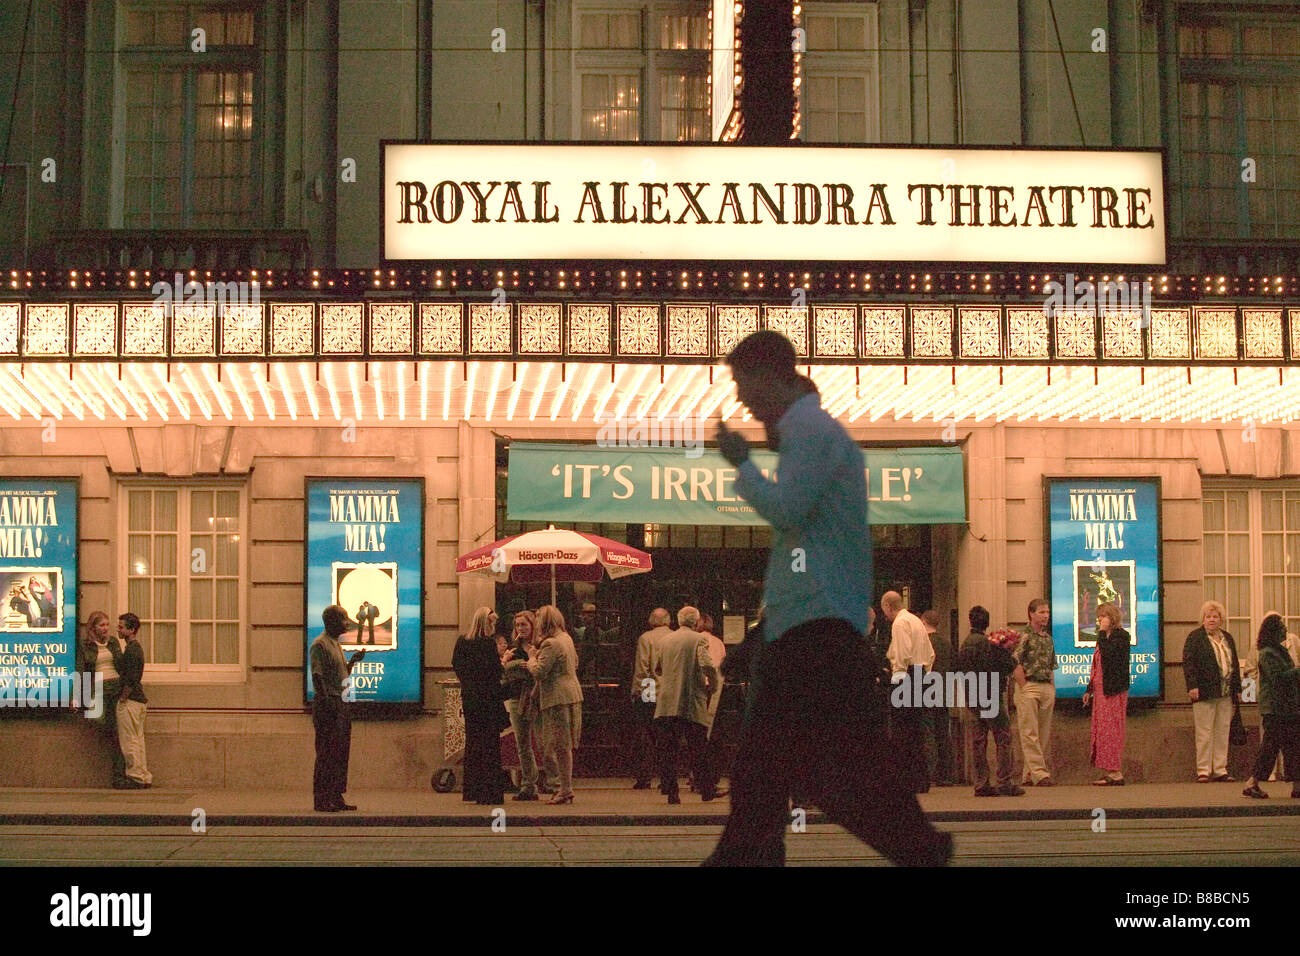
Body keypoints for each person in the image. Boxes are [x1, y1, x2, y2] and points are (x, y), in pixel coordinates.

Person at [704, 329, 950, 867]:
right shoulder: (813, 429)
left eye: (745, 384)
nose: (742, 399)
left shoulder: (808, 428)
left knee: (794, 773)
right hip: (812, 627)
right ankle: (919, 847)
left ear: (772, 379)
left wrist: (741, 462)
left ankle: (921, 849)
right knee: (792, 773)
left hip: (812, 631)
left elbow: (788, 508)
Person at [652, 606, 723, 804]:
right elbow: (707, 665)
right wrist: (713, 685)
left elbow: (657, 667)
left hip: (667, 702)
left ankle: (671, 791)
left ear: (678, 619)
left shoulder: (665, 640)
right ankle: (706, 789)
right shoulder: (698, 639)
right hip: (691, 700)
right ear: (696, 621)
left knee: (669, 749)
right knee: (698, 747)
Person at [956, 606, 1022, 797]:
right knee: (1003, 737)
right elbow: (1006, 666)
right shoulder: (990, 645)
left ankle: (981, 783)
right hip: (990, 695)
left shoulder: (965, 644)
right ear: (987, 622)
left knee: (978, 741)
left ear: (970, 621)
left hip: (972, 697)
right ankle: (1004, 781)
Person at [526, 605, 583, 805]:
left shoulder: (551, 644)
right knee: (565, 745)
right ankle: (566, 788)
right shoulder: (566, 638)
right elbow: (575, 663)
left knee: (560, 746)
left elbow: (540, 671)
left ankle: (565, 789)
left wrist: (532, 658)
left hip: (557, 696)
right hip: (571, 693)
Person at [311, 605, 365, 811]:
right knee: (326, 754)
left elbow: (339, 673)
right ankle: (322, 799)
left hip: (340, 704)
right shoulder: (320, 645)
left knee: (340, 754)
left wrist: (352, 662)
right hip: (329, 705)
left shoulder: (335, 643)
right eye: (344, 618)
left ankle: (336, 796)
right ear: (332, 622)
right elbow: (318, 677)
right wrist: (327, 705)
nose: (348, 622)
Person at [501, 610, 559, 801]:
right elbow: (506, 674)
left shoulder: (542, 645)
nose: (520, 628)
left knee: (545, 741)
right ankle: (528, 784)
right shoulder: (513, 649)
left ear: (533, 625)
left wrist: (527, 666)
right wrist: (511, 663)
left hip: (538, 697)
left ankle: (554, 782)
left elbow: (544, 670)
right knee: (522, 743)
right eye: (517, 625)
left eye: (524, 625)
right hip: (518, 698)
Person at [452, 607, 508, 805]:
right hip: (488, 700)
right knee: (490, 746)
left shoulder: (462, 641)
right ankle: (489, 792)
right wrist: (504, 662)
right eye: (492, 623)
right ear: (487, 623)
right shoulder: (487, 644)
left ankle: (472, 790)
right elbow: (495, 673)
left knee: (473, 743)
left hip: (470, 699)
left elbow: (456, 665)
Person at [1183, 600, 1242, 783]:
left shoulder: (1227, 638)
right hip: (1204, 693)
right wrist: (1192, 686)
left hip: (1225, 692)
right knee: (1204, 732)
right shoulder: (1195, 637)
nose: (1212, 620)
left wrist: (1238, 689)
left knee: (1222, 730)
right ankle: (1203, 770)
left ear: (1221, 619)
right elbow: (1188, 663)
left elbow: (1235, 664)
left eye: (1215, 617)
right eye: (1208, 617)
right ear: (1203, 619)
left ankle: (1220, 769)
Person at [1242, 614, 1300, 799]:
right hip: (1275, 709)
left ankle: (1297, 785)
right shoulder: (1267, 653)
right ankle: (1252, 782)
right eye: (1282, 627)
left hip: (1286, 707)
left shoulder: (1278, 650)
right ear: (1273, 631)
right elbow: (1279, 678)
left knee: (1293, 746)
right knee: (1271, 747)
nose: (1285, 630)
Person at [883, 591, 935, 794]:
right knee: (916, 730)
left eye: (884, 610)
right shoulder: (916, 621)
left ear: (888, 606)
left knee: (901, 731)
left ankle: (905, 780)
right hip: (920, 674)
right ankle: (920, 779)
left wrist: (897, 676)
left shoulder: (899, 623)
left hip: (905, 676)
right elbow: (931, 654)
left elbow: (902, 654)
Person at [76, 612, 127, 788]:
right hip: (98, 686)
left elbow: (121, 663)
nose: (105, 629)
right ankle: (109, 735)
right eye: (101, 625)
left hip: (115, 685)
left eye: (107, 625)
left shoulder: (113, 642)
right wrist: (76, 696)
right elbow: (81, 669)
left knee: (117, 732)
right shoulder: (86, 644)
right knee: (98, 719)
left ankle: (119, 775)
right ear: (93, 627)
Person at [1084, 602, 1131, 785]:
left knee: (1112, 730)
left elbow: (1110, 655)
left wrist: (1102, 633)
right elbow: (1097, 664)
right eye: (1099, 616)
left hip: (1113, 690)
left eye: (1104, 616)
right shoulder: (1103, 637)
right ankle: (1109, 770)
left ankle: (1116, 771)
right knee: (1102, 730)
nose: (1100, 619)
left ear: (1112, 617)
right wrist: (1089, 689)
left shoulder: (1121, 636)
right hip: (1100, 690)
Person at [1013, 598, 1058, 787]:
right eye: (1042, 612)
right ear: (1031, 613)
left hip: (1046, 685)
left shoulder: (1048, 638)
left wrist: (1052, 687)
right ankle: (1040, 773)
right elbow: (1015, 662)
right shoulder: (1024, 636)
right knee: (1029, 732)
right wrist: (1023, 685)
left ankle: (1029, 773)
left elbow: (1052, 664)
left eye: (1047, 612)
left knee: (1043, 733)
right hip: (1029, 685)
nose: (1046, 616)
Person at [630, 608, 673, 790]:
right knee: (666, 736)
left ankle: (645, 777)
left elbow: (643, 667)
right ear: (669, 621)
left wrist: (640, 692)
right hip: (670, 692)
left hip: (651, 690)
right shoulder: (675, 637)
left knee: (647, 735)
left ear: (650, 620)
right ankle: (666, 778)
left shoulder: (645, 638)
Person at [108, 613, 151, 790]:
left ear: (131, 629)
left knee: (129, 740)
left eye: (121, 627)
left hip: (131, 701)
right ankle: (143, 775)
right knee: (138, 739)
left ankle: (135, 776)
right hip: (139, 701)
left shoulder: (132, 650)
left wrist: (123, 698)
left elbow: (132, 678)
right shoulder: (135, 648)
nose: (118, 630)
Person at [920, 609, 958, 787]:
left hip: (927, 693)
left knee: (928, 733)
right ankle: (946, 774)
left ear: (923, 622)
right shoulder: (946, 644)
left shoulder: (921, 643)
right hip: (944, 692)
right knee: (944, 734)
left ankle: (929, 772)